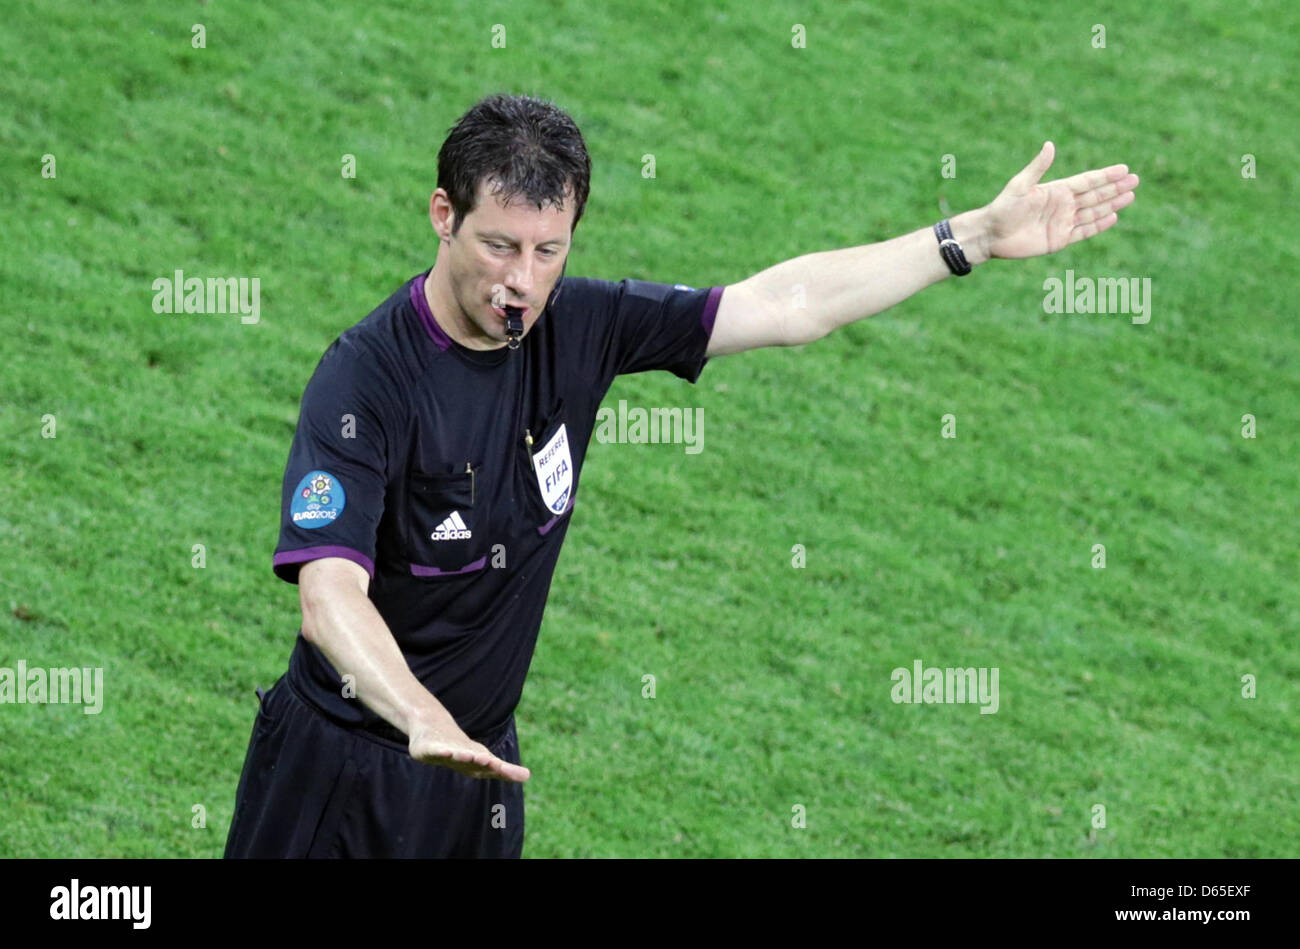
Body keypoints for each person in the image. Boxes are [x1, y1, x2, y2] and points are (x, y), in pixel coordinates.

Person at [223, 93, 1139, 858]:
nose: (524, 283)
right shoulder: (366, 379)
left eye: (550, 250)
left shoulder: (578, 326)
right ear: (442, 215)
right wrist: (421, 717)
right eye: (500, 247)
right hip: (345, 769)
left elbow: (788, 304)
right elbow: (329, 593)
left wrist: (971, 235)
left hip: (481, 776)